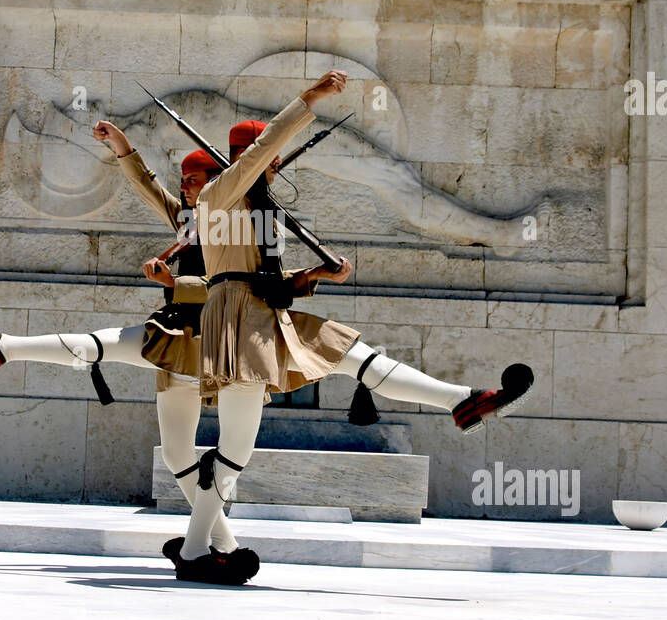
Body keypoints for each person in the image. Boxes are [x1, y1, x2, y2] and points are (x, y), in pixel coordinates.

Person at [173, 70, 534, 585]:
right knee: (234, 451)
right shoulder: (219, 195)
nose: (275, 165)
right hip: (236, 317)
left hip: (260, 310)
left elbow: (270, 281)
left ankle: (462, 399)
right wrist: (308, 101)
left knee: (353, 353)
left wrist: (317, 273)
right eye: (269, 158)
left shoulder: (255, 210)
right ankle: (193, 550)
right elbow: (258, 161)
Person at [0, 134, 244, 561]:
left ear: (216, 181)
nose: (183, 187)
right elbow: (148, 186)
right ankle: (224, 543)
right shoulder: (190, 220)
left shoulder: (235, 228)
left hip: (208, 339)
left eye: (193, 180)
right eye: (182, 179)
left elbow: (236, 289)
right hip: (175, 335)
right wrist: (123, 149)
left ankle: (5, 346)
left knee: (100, 345)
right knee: (176, 452)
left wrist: (175, 283)